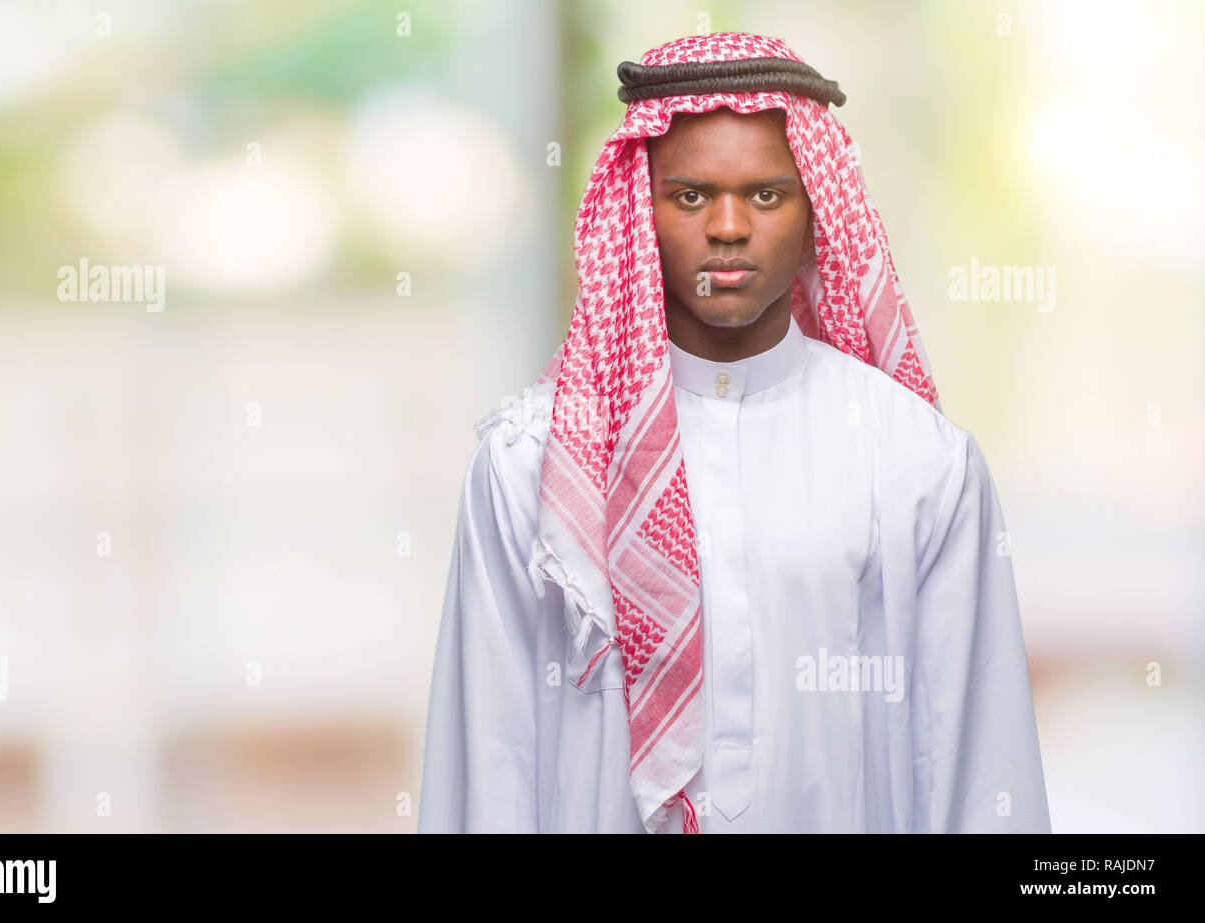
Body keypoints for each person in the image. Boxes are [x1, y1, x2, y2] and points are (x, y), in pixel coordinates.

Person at [416, 31, 1050, 834]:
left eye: (765, 195)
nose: (726, 226)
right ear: (637, 211)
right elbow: (487, 768)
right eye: (688, 196)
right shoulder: (531, 464)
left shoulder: (917, 459)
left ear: (816, 209)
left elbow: (978, 768)